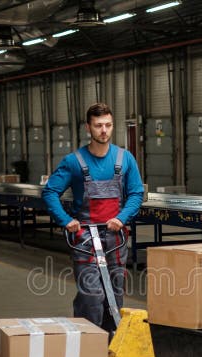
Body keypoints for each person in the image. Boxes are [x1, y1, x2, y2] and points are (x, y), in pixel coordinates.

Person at [43, 103, 144, 334]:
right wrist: (66, 220)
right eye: (98, 126)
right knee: (92, 295)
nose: (104, 130)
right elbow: (50, 192)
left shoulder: (125, 159)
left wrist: (121, 217)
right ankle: (87, 343)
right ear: (88, 127)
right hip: (86, 240)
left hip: (115, 238)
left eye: (108, 125)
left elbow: (136, 193)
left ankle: (110, 343)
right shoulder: (74, 162)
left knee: (115, 295)